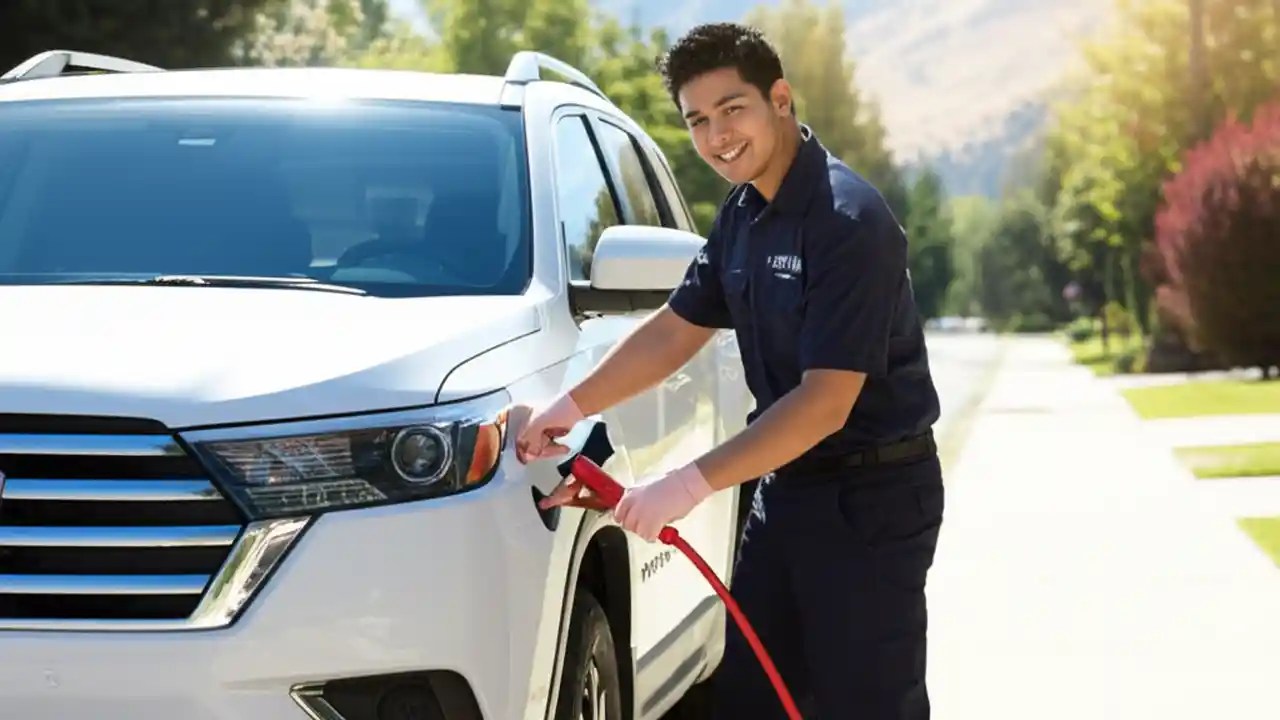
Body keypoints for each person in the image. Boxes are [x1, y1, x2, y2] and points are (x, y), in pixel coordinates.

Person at [514, 22, 944, 720]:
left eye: (732, 109)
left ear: (781, 98)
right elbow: (677, 330)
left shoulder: (849, 221)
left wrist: (685, 484)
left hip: (872, 502)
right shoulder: (743, 215)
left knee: (863, 706)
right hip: (786, 496)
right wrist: (571, 405)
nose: (717, 136)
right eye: (698, 121)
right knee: (753, 700)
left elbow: (824, 403)